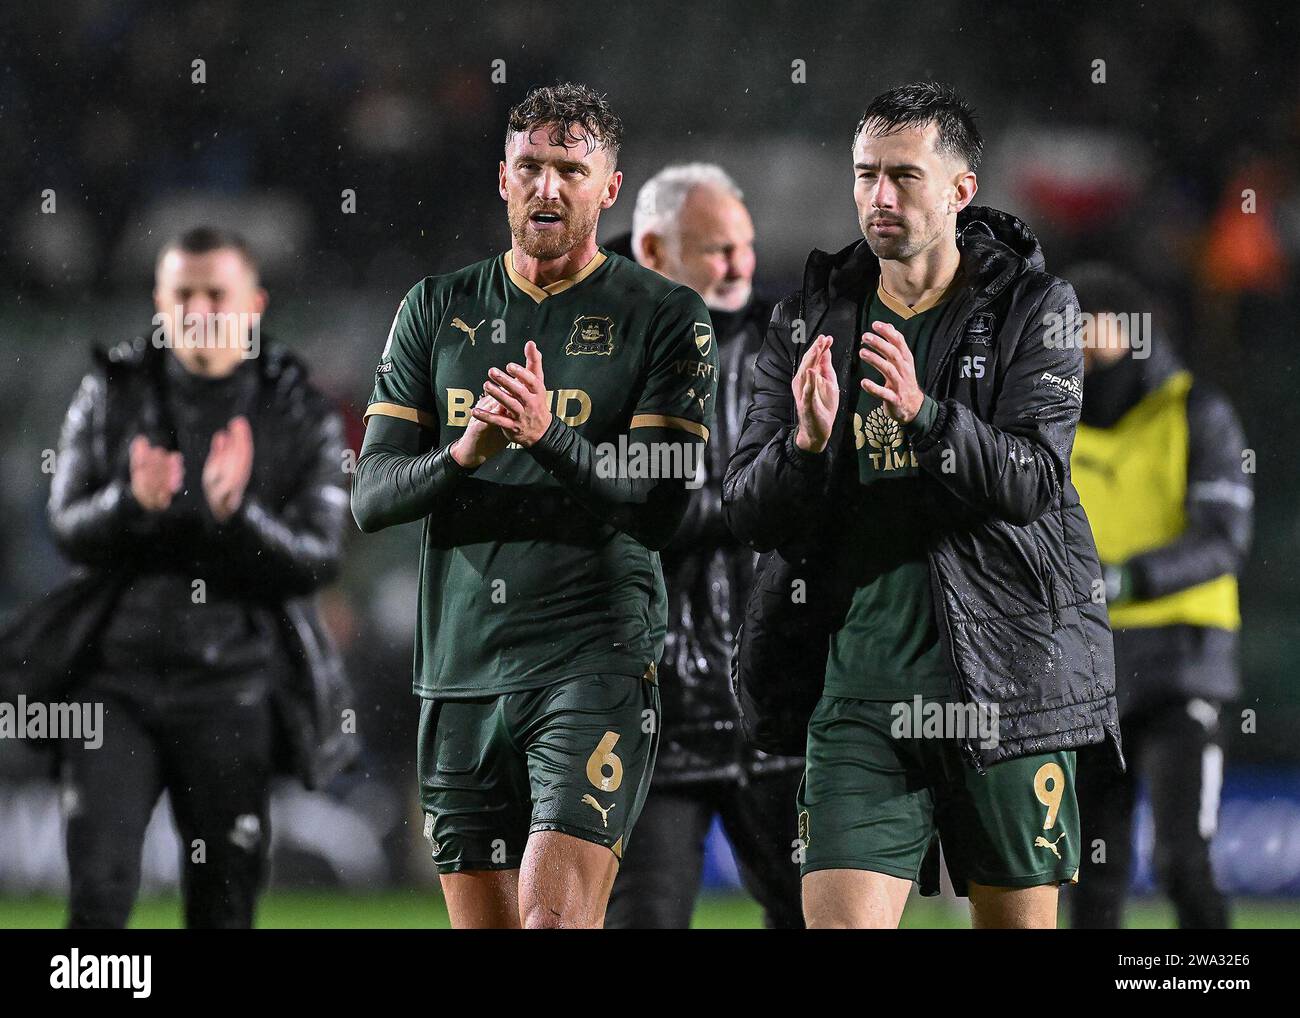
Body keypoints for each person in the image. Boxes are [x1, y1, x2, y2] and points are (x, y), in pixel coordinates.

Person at [723, 82, 1121, 929]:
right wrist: (803, 446)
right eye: (865, 174)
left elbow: (1032, 480)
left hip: (1008, 687)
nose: (879, 197)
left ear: (960, 190)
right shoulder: (807, 319)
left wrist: (926, 416)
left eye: (903, 176)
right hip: (860, 695)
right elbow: (747, 509)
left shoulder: (1035, 309)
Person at [350, 83, 718, 929]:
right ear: (503, 179)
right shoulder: (435, 308)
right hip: (460, 669)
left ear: (610, 187)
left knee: (553, 922)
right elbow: (371, 496)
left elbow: (662, 505)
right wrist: (465, 452)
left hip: (592, 661)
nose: (548, 187)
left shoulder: (663, 316)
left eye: (569, 168)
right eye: (531, 167)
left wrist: (551, 436)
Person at [41, 227, 353, 928]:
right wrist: (130, 502)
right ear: (159, 301)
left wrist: (236, 514)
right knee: (99, 892)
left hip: (233, 687)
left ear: (255, 302)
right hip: (112, 684)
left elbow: (321, 556)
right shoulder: (111, 389)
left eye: (217, 292)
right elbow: (65, 528)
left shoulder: (295, 405)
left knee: (224, 905)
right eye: (184, 293)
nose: (200, 308)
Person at [602, 163, 803, 929]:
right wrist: (761, 499)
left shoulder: (785, 346)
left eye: (745, 245)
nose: (740, 265)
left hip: (773, 705)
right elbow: (623, 508)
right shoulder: (598, 349)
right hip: (653, 711)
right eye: (718, 249)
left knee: (824, 916)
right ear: (653, 248)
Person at [1067, 263, 1251, 929]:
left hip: (1181, 665)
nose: (1072, 340)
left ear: (1127, 327)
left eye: (1083, 321)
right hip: (1090, 671)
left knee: (1181, 862)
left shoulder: (1196, 413)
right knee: (1088, 875)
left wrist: (1126, 578)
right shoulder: (1053, 418)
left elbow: (1225, 539)